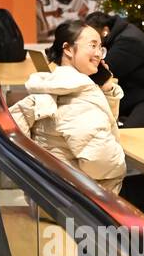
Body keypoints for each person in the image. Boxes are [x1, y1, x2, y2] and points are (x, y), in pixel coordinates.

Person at [85, 9, 144, 234]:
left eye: (94, 42)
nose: (94, 48)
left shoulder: (129, 41)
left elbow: (102, 74)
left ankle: (130, 180)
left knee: (129, 135)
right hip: (138, 92)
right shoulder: (120, 35)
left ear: (104, 31)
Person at [10, 20, 126, 193]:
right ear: (68, 49)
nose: (98, 54)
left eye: (100, 48)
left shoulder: (57, 84)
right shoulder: (79, 97)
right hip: (80, 200)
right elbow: (102, 163)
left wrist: (106, 88)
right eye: (92, 46)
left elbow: (99, 125)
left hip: (52, 190)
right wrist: (122, 164)